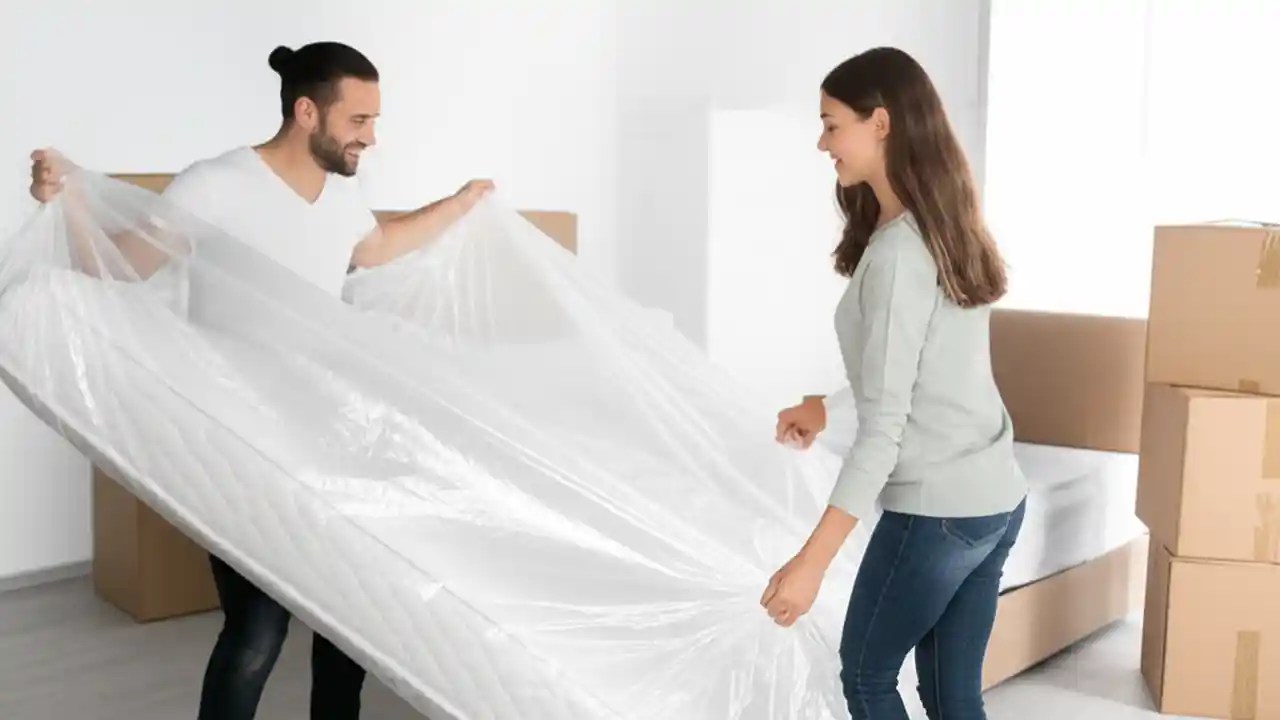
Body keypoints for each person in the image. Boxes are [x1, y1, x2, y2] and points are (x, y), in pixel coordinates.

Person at [30, 41, 494, 720]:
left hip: (327, 434)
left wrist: (458, 205)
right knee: (257, 629)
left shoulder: (340, 195)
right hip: (238, 443)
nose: (371, 137)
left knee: (352, 623)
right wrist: (67, 198)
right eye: (359, 120)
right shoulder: (215, 185)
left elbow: (373, 249)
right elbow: (116, 271)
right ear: (308, 112)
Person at [759, 47, 1027, 720]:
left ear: (880, 122)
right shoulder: (943, 223)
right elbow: (926, 371)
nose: (822, 142)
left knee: (869, 678)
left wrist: (811, 563)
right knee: (950, 693)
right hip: (995, 500)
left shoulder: (901, 253)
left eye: (831, 123)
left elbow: (886, 430)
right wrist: (827, 407)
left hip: (936, 516)